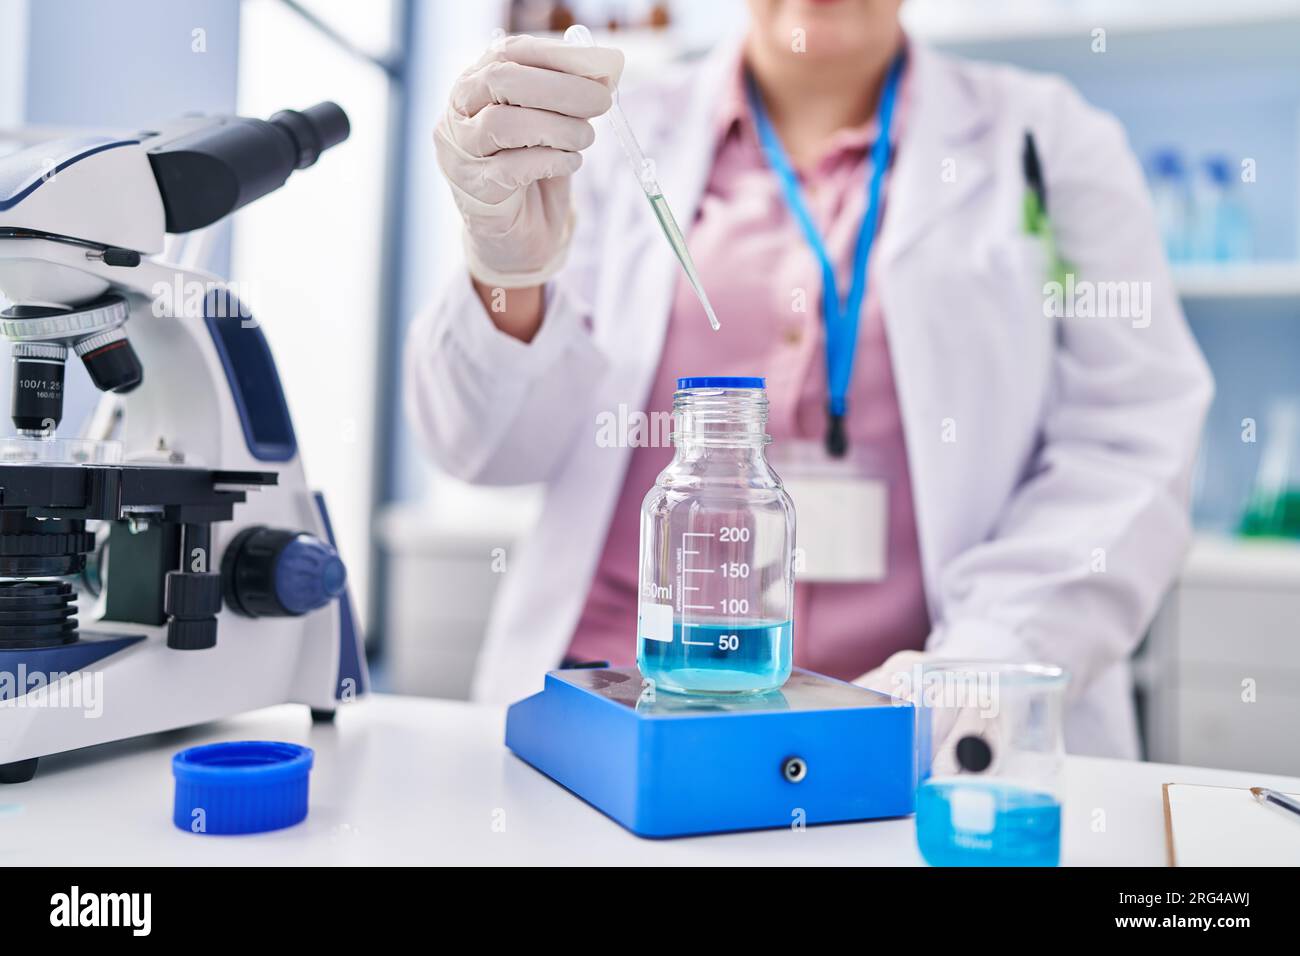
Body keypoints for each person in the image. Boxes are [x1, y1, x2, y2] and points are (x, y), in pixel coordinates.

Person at [405, 0, 1213, 757]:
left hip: (907, 731)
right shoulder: (612, 134)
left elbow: (1132, 435)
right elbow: (485, 453)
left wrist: (987, 658)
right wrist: (504, 272)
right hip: (611, 715)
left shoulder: (1047, 137)